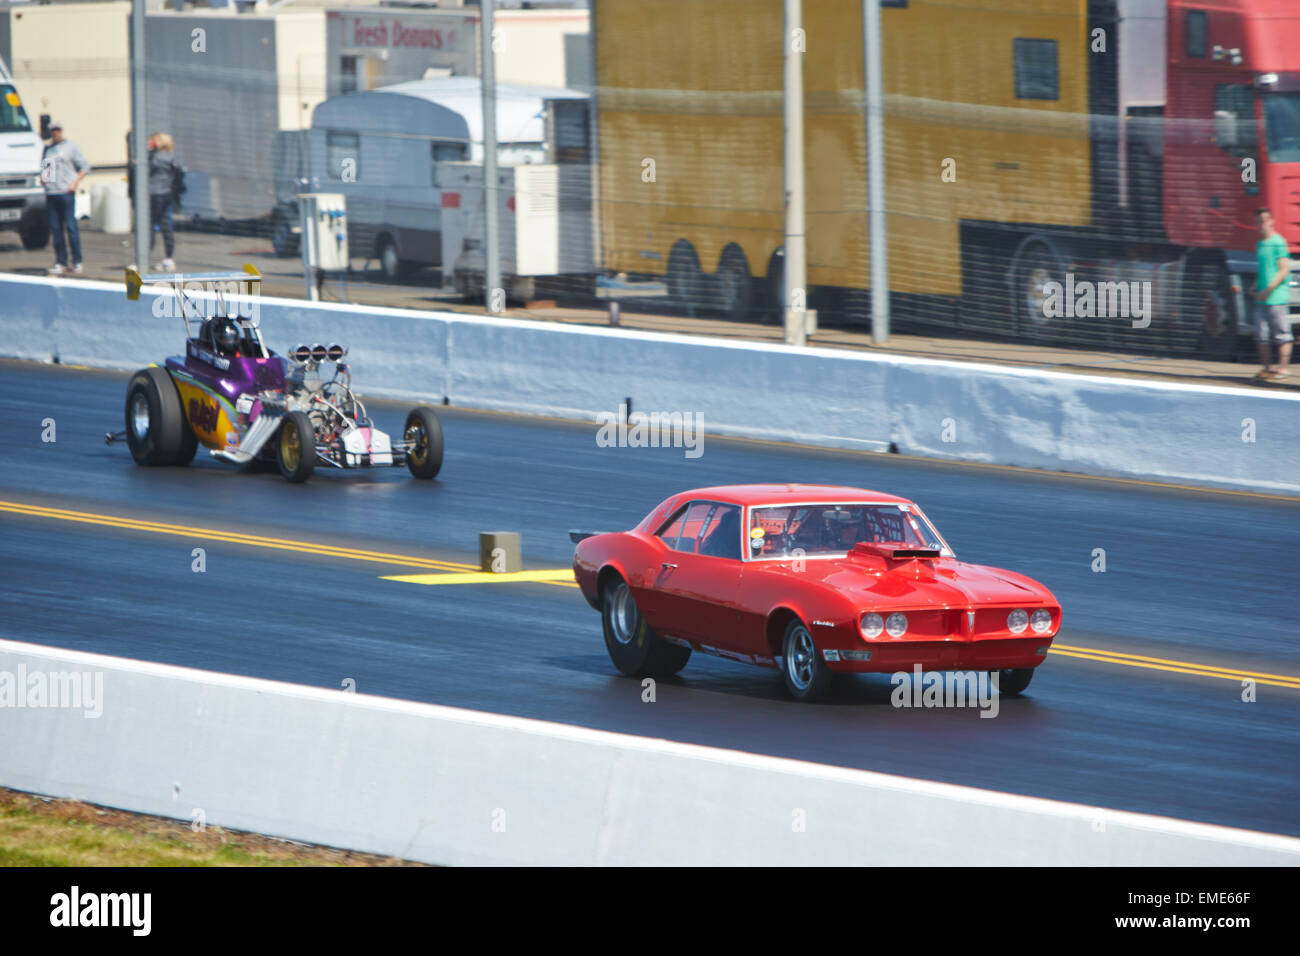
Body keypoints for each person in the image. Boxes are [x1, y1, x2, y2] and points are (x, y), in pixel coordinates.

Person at [40, 120, 90, 275]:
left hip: (66, 192)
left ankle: (77, 261)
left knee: (70, 226)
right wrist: (44, 179)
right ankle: (61, 261)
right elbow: (45, 170)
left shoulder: (71, 147)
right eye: (53, 130)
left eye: (58, 130)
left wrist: (74, 182)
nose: (56, 133)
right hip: (52, 192)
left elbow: (85, 167)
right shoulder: (48, 149)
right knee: (56, 229)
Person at [1253, 207, 1292, 380]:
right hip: (1262, 298)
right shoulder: (1260, 244)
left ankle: (1283, 369)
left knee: (1282, 334)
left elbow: (1283, 270)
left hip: (1276, 297)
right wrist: (1255, 286)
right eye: (1258, 221)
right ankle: (1267, 369)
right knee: (1262, 336)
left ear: (1271, 221)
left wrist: (1268, 290)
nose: (1261, 224)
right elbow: (1263, 270)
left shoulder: (1278, 242)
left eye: (1264, 220)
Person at [148, 132, 179, 271]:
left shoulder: (156, 157)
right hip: (167, 194)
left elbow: (146, 167)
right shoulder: (171, 156)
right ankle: (169, 258)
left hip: (155, 194)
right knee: (166, 225)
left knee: (149, 226)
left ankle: (144, 257)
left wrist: (150, 151)